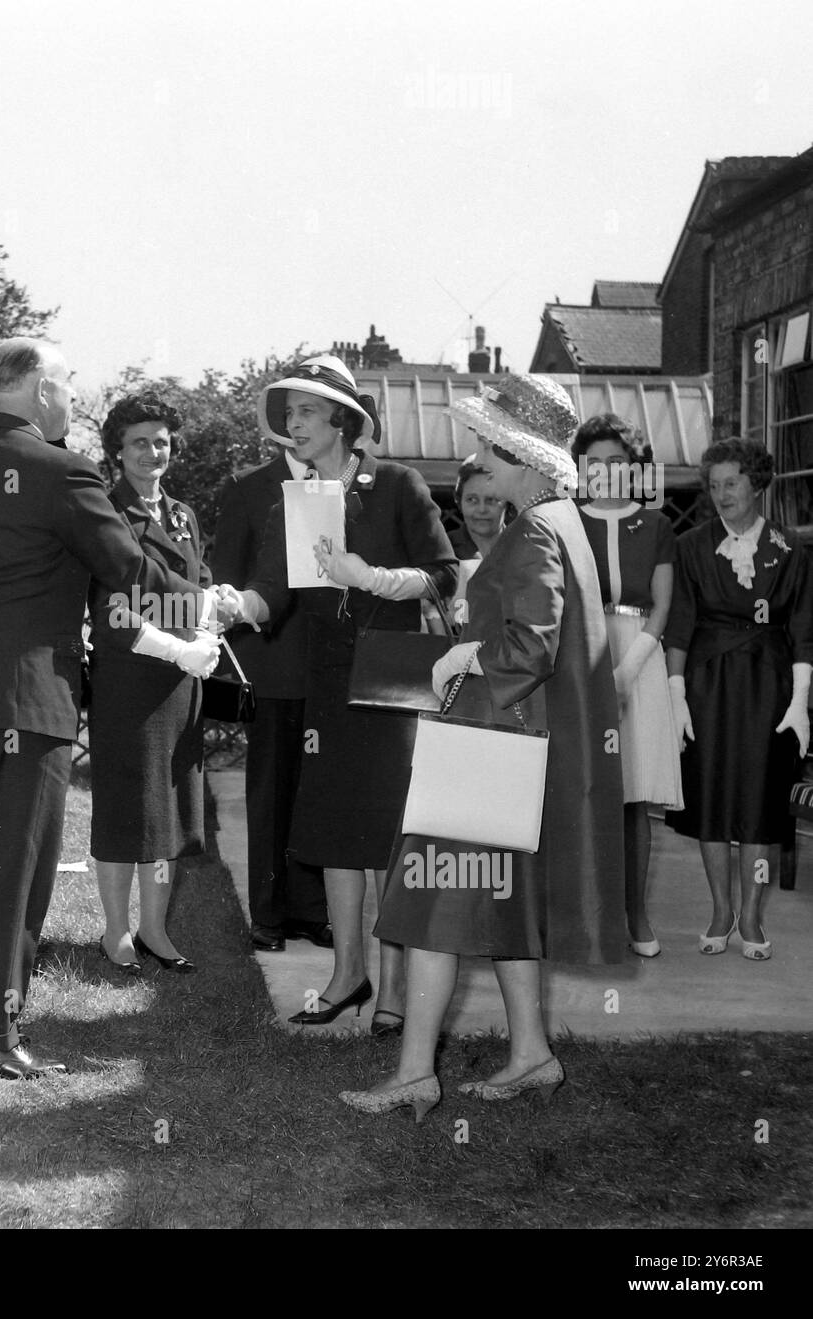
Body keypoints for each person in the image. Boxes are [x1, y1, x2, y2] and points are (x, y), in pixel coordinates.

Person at [0, 338, 224, 1082]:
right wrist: (207, 604)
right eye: (70, 386)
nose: (75, 401)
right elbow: (129, 569)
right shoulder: (63, 469)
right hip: (28, 701)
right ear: (41, 391)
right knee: (16, 871)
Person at [345, 373, 625, 1121]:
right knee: (505, 905)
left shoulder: (534, 529)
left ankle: (414, 1073)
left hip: (487, 744)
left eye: (488, 442)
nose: (477, 453)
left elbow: (530, 646)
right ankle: (531, 1052)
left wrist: (462, 658)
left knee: (430, 902)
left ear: (520, 453)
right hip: (516, 746)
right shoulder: (563, 520)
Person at [221, 355, 457, 1035]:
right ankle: (348, 976)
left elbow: (443, 575)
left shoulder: (400, 486)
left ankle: (396, 992)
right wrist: (222, 606)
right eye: (289, 413)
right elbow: (270, 595)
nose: (293, 425)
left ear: (343, 422)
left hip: (394, 679)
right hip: (326, 681)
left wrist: (373, 577)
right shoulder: (294, 503)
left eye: (307, 412)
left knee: (388, 837)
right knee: (333, 834)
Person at [664, 437, 812, 962]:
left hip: (768, 688)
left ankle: (750, 913)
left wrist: (800, 701)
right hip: (706, 686)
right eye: (713, 484)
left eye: (732, 482)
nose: (721, 493)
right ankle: (720, 910)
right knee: (710, 802)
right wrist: (675, 694)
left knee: (759, 807)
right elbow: (678, 625)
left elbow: (802, 629)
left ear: (756, 484)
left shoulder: (792, 549)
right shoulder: (690, 547)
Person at [88, 393, 213, 974]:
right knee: (125, 810)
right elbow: (114, 604)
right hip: (130, 679)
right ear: (117, 451)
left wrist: (206, 639)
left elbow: (204, 586)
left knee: (166, 813)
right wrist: (177, 648)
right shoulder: (105, 510)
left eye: (161, 440)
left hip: (182, 684)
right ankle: (115, 932)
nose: (152, 451)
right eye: (139, 441)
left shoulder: (184, 515)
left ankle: (155, 931)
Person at [212, 432, 330, 954]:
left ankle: (311, 911)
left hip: (333, 670)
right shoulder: (247, 488)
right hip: (273, 667)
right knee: (270, 793)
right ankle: (268, 914)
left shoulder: (348, 481)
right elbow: (228, 581)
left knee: (319, 793)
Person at [574, 414, 682, 958]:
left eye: (617, 462)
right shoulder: (566, 521)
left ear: (632, 468)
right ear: (582, 469)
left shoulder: (657, 524)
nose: (607, 471)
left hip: (639, 657)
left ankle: (634, 914)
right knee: (589, 790)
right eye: (596, 463)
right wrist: (595, 671)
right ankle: (590, 917)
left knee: (633, 795)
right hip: (584, 651)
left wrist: (625, 672)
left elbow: (661, 610)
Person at [440, 455, 508, 632]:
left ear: (507, 503)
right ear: (459, 502)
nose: (482, 509)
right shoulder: (444, 550)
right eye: (472, 500)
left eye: (492, 500)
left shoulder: (526, 548)